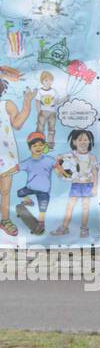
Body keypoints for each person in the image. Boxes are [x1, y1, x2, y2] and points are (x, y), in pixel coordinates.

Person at [0, 70, 35, 238]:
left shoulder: (7, 104)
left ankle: (5, 220)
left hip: (5, 156)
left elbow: (18, 124)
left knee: (5, 191)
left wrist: (27, 104)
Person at [49, 129, 99, 239]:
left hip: (87, 185)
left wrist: (95, 187)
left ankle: (84, 229)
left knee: (85, 207)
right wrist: (58, 159)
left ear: (90, 142)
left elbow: (95, 173)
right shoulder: (71, 156)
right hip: (76, 184)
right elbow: (59, 159)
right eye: (80, 139)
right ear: (74, 142)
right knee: (70, 206)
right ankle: (64, 227)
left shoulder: (92, 157)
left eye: (86, 139)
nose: (83, 142)